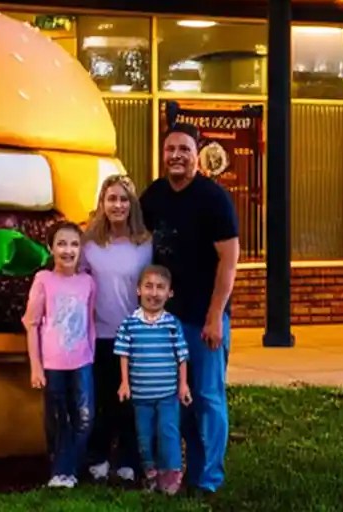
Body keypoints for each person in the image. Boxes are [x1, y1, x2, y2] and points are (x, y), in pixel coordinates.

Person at [139, 123, 239, 496]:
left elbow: (229, 261)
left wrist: (215, 317)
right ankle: (181, 473)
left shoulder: (213, 199)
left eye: (184, 149)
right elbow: (132, 238)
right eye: (170, 149)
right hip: (167, 320)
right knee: (176, 399)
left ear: (197, 154)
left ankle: (208, 479)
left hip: (203, 318)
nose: (176, 156)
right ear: (163, 154)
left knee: (208, 398)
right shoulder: (155, 196)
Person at [80, 174, 153, 484]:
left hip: (135, 335)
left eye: (123, 199)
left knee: (130, 403)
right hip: (100, 335)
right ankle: (97, 460)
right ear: (102, 203)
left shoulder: (145, 244)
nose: (118, 205)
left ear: (132, 204)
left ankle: (127, 461)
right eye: (111, 198)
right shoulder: (89, 244)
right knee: (103, 401)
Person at [22, 221, 97, 489]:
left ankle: (65, 470)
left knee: (85, 417)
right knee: (57, 418)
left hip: (82, 361)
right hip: (53, 363)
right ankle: (63, 471)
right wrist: (36, 366)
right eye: (62, 244)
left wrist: (92, 355)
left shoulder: (87, 282)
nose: (68, 250)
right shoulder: (44, 280)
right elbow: (31, 323)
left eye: (74, 244)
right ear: (51, 248)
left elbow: (89, 323)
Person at [114, 265, 192, 495]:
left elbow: (182, 356)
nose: (154, 293)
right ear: (138, 290)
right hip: (140, 395)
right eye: (148, 286)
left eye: (161, 288)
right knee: (145, 436)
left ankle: (171, 477)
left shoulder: (172, 324)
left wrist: (183, 385)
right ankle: (150, 474)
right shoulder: (129, 324)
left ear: (170, 293)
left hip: (168, 394)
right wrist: (124, 383)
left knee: (168, 432)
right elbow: (124, 354)